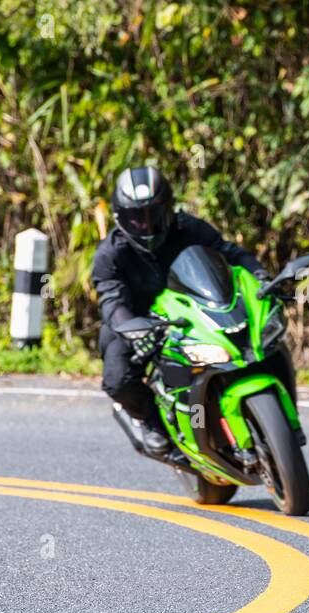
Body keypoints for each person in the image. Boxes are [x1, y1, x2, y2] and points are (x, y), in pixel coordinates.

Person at [91, 165, 266, 459]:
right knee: (117, 378)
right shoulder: (110, 253)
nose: (146, 225)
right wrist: (131, 329)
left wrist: (260, 275)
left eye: (153, 215)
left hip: (190, 311)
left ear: (169, 209)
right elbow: (111, 299)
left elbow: (229, 253)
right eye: (137, 217)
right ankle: (149, 421)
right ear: (121, 217)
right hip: (136, 320)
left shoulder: (189, 229)